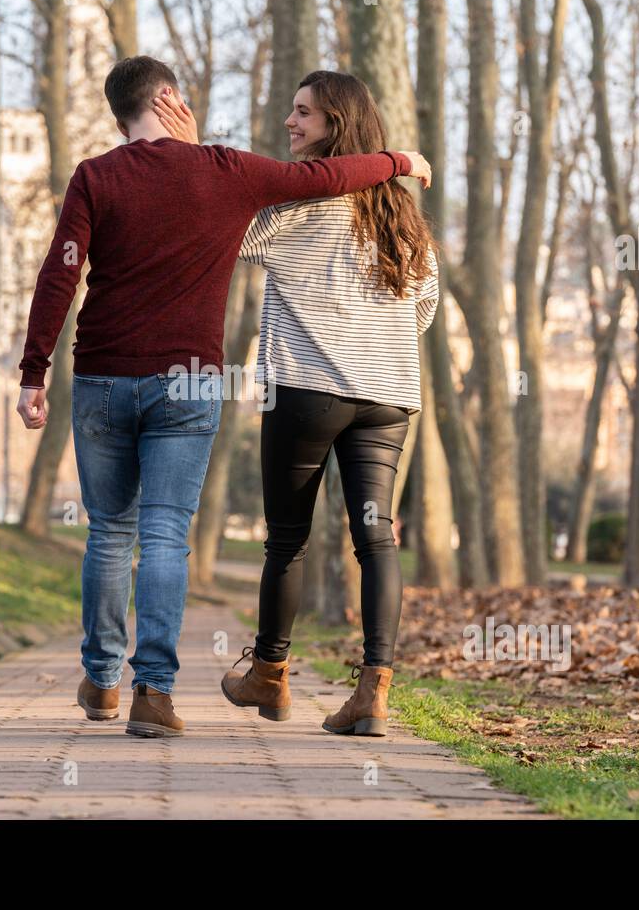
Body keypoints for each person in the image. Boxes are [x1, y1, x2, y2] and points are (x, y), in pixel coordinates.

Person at [17, 56, 432, 739]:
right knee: (183, 535)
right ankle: (171, 691)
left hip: (153, 377)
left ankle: (117, 678)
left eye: (303, 112)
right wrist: (396, 162)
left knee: (126, 531)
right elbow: (398, 268)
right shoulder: (247, 178)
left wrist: (34, 371)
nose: (290, 122)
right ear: (172, 100)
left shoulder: (102, 177)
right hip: (279, 386)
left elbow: (75, 269)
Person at [154, 70, 440, 737]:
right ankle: (374, 692)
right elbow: (421, 309)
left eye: (303, 113)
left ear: (335, 125)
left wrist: (198, 155)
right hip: (388, 398)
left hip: (307, 390)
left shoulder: (293, 212)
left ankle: (270, 672)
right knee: (376, 538)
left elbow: (220, 226)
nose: (290, 122)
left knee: (286, 539)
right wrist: (373, 339)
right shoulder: (407, 217)